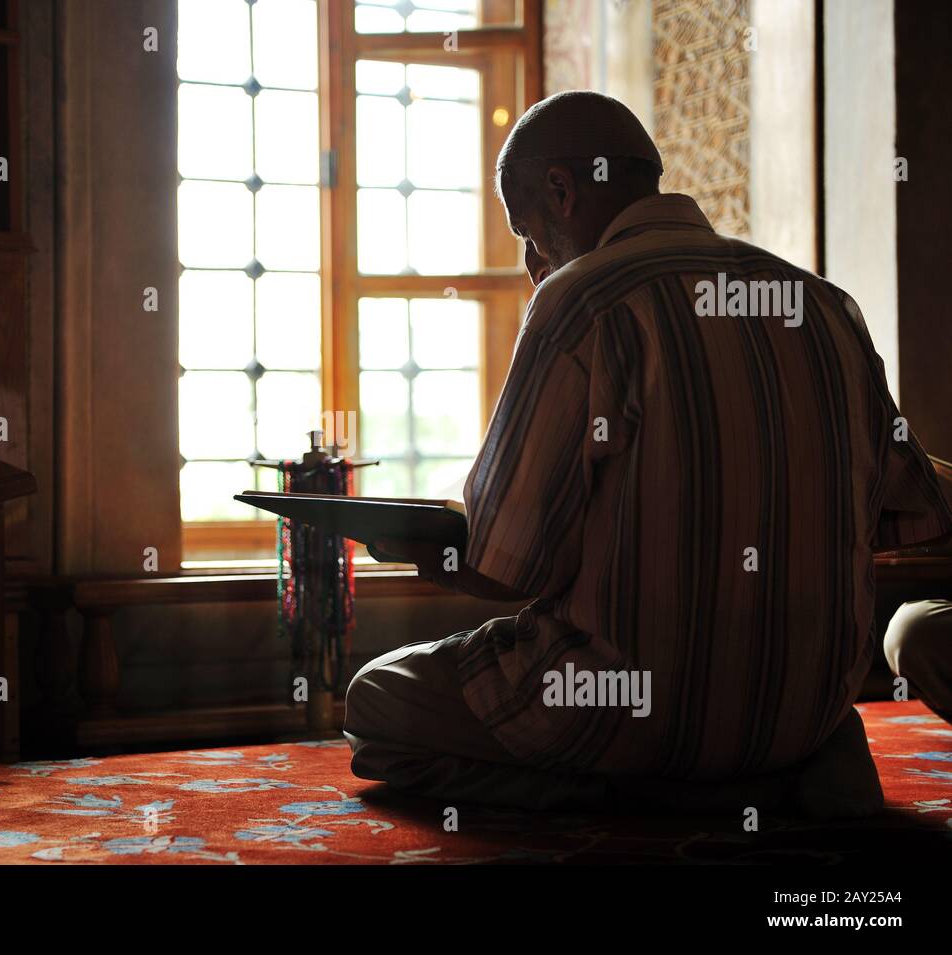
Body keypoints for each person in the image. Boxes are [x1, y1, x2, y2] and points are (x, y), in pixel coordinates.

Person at [346, 91, 952, 819]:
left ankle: (639, 797)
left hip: (620, 708)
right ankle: (772, 778)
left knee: (376, 699)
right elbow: (914, 507)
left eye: (526, 231)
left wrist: (413, 544)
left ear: (562, 191)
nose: (531, 261)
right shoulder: (826, 305)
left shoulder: (579, 302)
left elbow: (506, 568)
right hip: (804, 713)